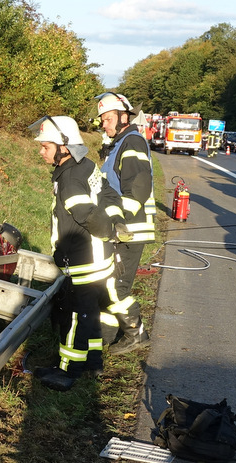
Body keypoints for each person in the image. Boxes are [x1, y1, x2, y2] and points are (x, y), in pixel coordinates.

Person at [29, 115, 125, 390]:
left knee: (73, 314)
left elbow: (86, 215)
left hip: (84, 260)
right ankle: (93, 361)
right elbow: (108, 194)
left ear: (64, 147)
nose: (41, 151)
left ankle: (67, 370)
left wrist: (108, 230)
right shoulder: (87, 166)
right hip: (100, 256)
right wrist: (115, 225)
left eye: (45, 146)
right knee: (90, 311)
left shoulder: (69, 179)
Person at [95, 92, 155, 355]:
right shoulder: (118, 144)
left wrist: (118, 224)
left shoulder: (132, 143)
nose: (103, 125)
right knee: (107, 285)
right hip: (118, 231)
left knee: (115, 287)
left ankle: (136, 334)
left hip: (129, 231)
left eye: (107, 119)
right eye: (102, 120)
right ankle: (105, 337)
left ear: (123, 117)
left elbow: (137, 191)